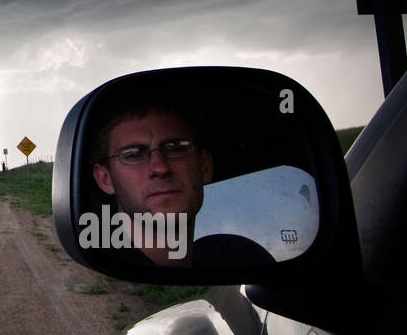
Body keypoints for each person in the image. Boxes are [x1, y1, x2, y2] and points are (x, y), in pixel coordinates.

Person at [90, 95, 274, 268]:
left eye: (176, 148)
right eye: (133, 155)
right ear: (105, 179)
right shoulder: (100, 262)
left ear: (204, 167)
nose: (160, 168)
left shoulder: (238, 256)